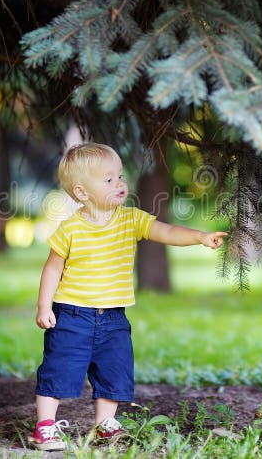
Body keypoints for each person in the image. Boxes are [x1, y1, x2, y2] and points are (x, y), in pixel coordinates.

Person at [28, 142, 227, 451]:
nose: (120, 184)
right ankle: (45, 426)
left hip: (114, 317)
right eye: (108, 180)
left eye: (120, 176)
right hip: (71, 314)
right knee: (59, 369)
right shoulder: (70, 229)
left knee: (114, 369)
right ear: (82, 192)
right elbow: (52, 269)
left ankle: (104, 424)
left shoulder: (131, 219)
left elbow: (167, 232)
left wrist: (199, 237)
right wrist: (44, 306)